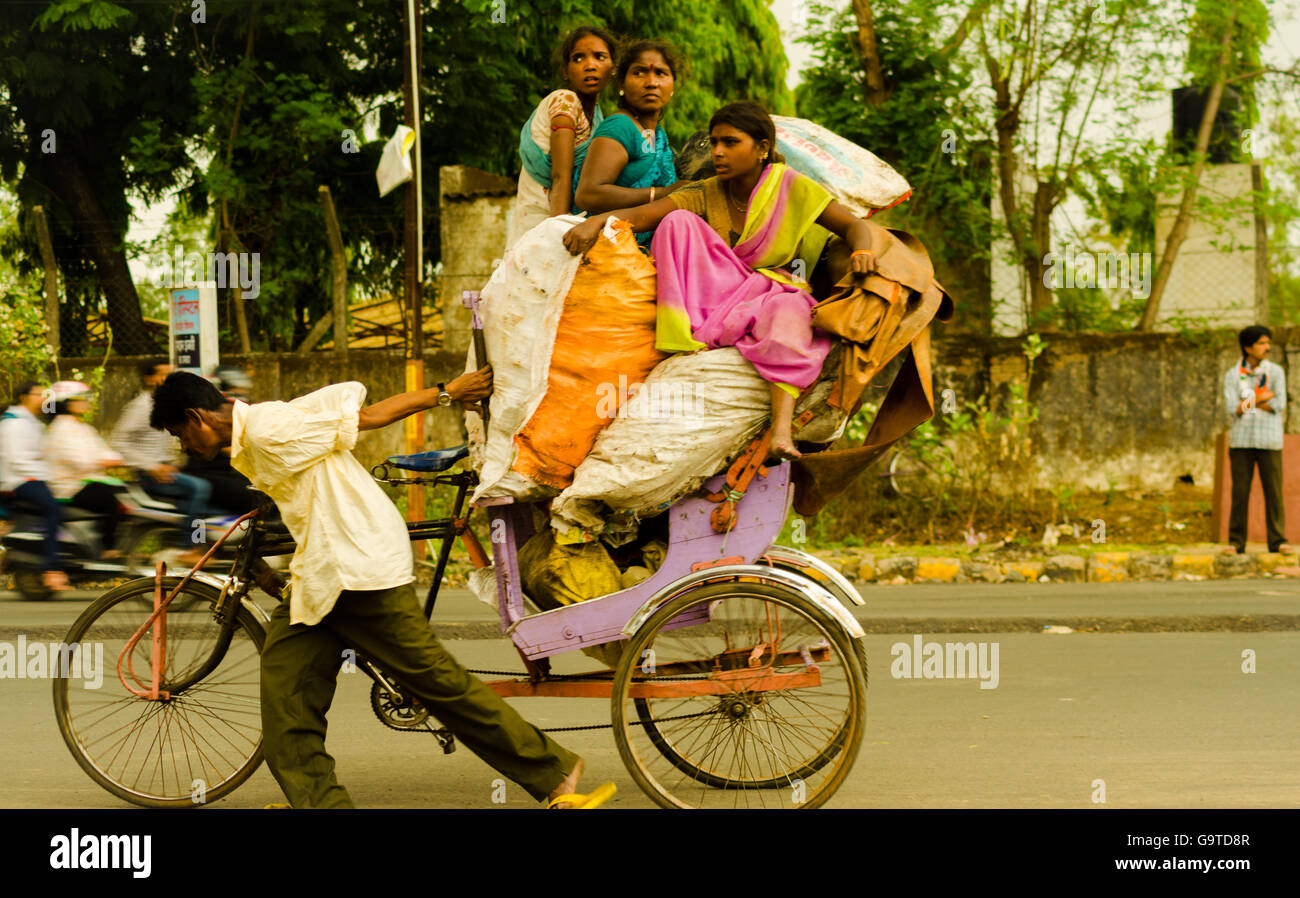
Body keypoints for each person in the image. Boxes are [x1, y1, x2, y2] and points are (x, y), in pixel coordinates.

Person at [148, 366, 611, 809]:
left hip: (358, 568)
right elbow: (344, 392)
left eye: (179, 434)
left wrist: (447, 392)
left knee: (437, 683)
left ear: (196, 418)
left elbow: (367, 416)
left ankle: (553, 772)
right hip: (322, 577)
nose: (183, 447)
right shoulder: (258, 431)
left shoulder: (269, 427)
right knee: (285, 695)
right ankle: (319, 803)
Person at [564, 100, 879, 459]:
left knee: (791, 313)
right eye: (714, 142)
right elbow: (642, 215)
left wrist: (862, 252)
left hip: (769, 292)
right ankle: (685, 337)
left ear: (762, 149)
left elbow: (854, 225)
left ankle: (780, 430)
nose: (717, 152)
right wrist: (595, 222)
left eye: (730, 143)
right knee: (676, 223)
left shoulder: (792, 186)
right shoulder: (706, 191)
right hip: (715, 297)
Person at [505, 25, 617, 251]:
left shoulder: (598, 118)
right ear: (565, 71)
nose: (590, 65)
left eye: (599, 57)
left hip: (566, 217)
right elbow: (560, 175)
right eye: (578, 59)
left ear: (613, 68)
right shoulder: (565, 101)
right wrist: (558, 236)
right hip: (544, 218)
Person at [573, 39, 690, 248]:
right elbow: (588, 195)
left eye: (661, 73)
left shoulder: (655, 134)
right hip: (608, 251)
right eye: (639, 72)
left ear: (673, 85)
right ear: (621, 84)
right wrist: (661, 193)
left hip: (643, 252)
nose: (651, 82)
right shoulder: (620, 127)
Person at [112, 360, 211, 547]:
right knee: (200, 488)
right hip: (150, 476)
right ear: (149, 379)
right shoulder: (141, 406)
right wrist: (152, 467)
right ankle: (189, 547)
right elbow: (119, 442)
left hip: (167, 470)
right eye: (162, 374)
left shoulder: (163, 405)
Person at [1222, 325, 1290, 555]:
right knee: (1240, 492)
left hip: (1270, 441)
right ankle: (1236, 541)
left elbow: (1279, 404)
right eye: (1261, 343)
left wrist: (1250, 402)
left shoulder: (1276, 372)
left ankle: (1278, 541)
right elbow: (1234, 408)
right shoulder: (1233, 375)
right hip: (1241, 442)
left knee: (1273, 492)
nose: (1267, 347)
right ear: (1247, 347)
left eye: (1267, 342)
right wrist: (1261, 397)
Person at [45, 381, 126, 559]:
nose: (87, 403)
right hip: (69, 487)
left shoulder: (83, 428)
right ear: (68, 403)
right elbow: (79, 460)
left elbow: (102, 450)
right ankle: (107, 548)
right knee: (110, 497)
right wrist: (104, 461)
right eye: (82, 399)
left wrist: (114, 459)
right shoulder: (61, 429)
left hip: (85, 481)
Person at [0, 381, 67, 590]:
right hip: (19, 480)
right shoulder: (12, 423)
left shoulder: (34, 422)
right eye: (38, 394)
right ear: (24, 396)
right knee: (53, 508)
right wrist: (45, 476)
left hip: (34, 476)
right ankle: (51, 568)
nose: (43, 398)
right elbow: (17, 459)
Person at [182, 366, 262, 515]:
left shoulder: (234, 411)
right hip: (207, 473)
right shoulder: (211, 413)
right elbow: (230, 447)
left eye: (243, 390)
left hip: (224, 472)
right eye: (237, 389)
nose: (242, 394)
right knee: (252, 497)